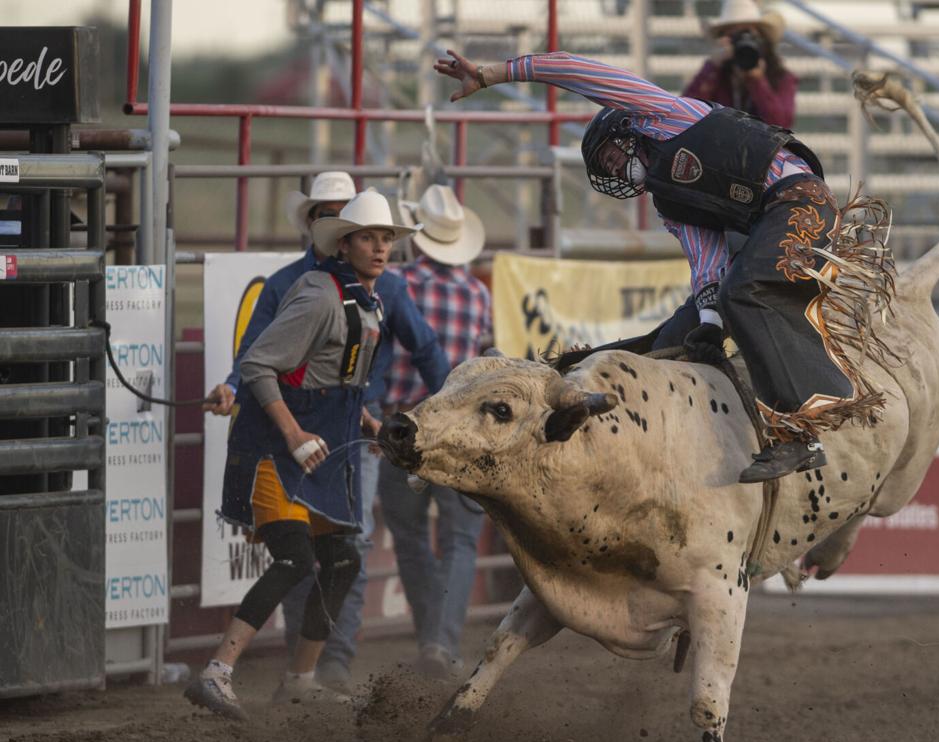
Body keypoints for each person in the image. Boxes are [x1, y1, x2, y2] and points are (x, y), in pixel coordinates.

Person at [434, 50, 896, 483]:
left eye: (613, 158)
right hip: (761, 229)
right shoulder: (670, 202)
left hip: (799, 200)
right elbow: (707, 264)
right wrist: (710, 325)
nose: (616, 171)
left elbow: (579, 71)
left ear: (627, 132)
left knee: (746, 291)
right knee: (678, 332)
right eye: (608, 169)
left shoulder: (665, 114)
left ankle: (802, 430)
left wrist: (496, 74)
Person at [202, 175, 450, 693]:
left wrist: (372, 424)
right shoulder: (317, 294)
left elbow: (338, 380)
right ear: (344, 243)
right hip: (279, 448)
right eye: (368, 237)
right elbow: (256, 366)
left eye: (386, 237)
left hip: (323, 446)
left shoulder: (367, 300)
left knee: (341, 559)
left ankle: (300, 678)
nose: (381, 246)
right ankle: (219, 671)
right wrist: (293, 434)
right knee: (296, 557)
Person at [379, 184, 493, 679]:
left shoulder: (397, 282)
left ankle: (432, 636)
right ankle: (441, 642)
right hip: (458, 434)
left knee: (408, 533)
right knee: (460, 538)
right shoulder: (477, 293)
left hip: (401, 425)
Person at [683, 0, 797, 128]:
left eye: (749, 34)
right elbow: (685, 115)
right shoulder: (716, 75)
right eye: (736, 35)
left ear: (763, 40)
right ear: (724, 41)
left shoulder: (781, 77)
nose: (744, 41)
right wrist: (712, 66)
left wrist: (757, 81)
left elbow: (781, 125)